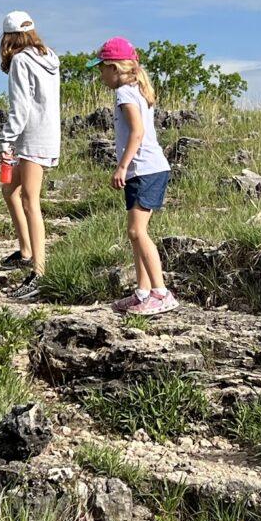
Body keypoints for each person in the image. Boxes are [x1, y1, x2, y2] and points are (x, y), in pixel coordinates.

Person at [97, 37, 178, 315]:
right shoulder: (136, 89)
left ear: (115, 67)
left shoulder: (125, 94)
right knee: (134, 233)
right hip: (144, 170)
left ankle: (160, 292)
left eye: (102, 69)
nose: (101, 75)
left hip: (145, 169)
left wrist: (121, 166)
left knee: (137, 231)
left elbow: (137, 132)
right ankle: (143, 292)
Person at [0, 9, 61, 296]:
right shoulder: (50, 57)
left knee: (29, 199)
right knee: (10, 189)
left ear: (9, 37)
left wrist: (6, 140)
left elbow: (19, 106)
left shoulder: (21, 61)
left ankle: (39, 271)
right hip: (43, 133)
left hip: (31, 137)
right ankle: (24, 251)